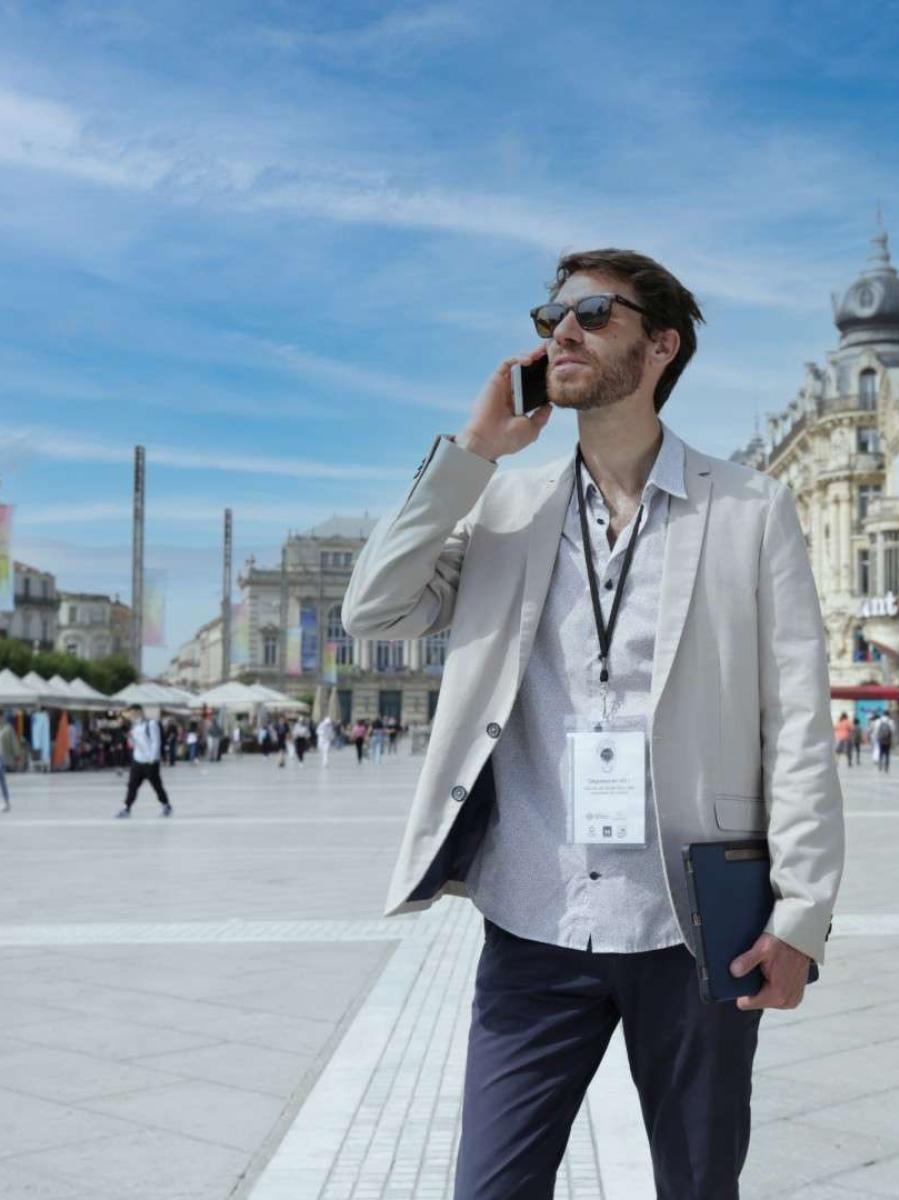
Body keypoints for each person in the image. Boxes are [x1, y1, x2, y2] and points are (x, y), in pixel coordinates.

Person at [341, 247, 844, 1198]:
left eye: (593, 313)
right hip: (534, 921)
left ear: (662, 346)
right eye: (550, 317)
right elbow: (375, 609)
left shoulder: (749, 509)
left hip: (695, 927)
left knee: (698, 1186)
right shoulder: (507, 508)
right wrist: (475, 455)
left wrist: (803, 915)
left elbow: (800, 727)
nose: (560, 331)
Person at [116, 705, 172, 818]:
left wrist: (153, 758)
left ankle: (166, 805)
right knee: (132, 785)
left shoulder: (151, 724)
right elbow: (133, 744)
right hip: (138, 760)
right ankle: (127, 808)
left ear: (139, 712)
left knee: (156, 785)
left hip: (150, 761)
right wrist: (127, 736)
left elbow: (156, 741)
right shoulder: (135, 726)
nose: (131, 715)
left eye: (132, 712)